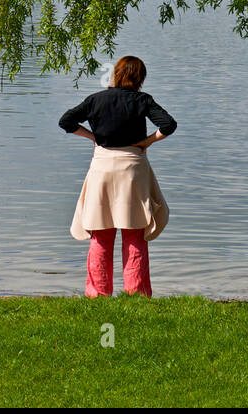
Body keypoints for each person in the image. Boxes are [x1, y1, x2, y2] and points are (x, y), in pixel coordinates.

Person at [59, 56, 176, 297]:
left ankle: (97, 294)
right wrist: (147, 142)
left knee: (100, 232)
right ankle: (137, 294)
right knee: (135, 232)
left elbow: (66, 121)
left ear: (116, 75)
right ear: (140, 78)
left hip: (102, 168)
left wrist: (93, 137)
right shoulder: (142, 100)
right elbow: (168, 125)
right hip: (133, 170)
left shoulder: (96, 99)